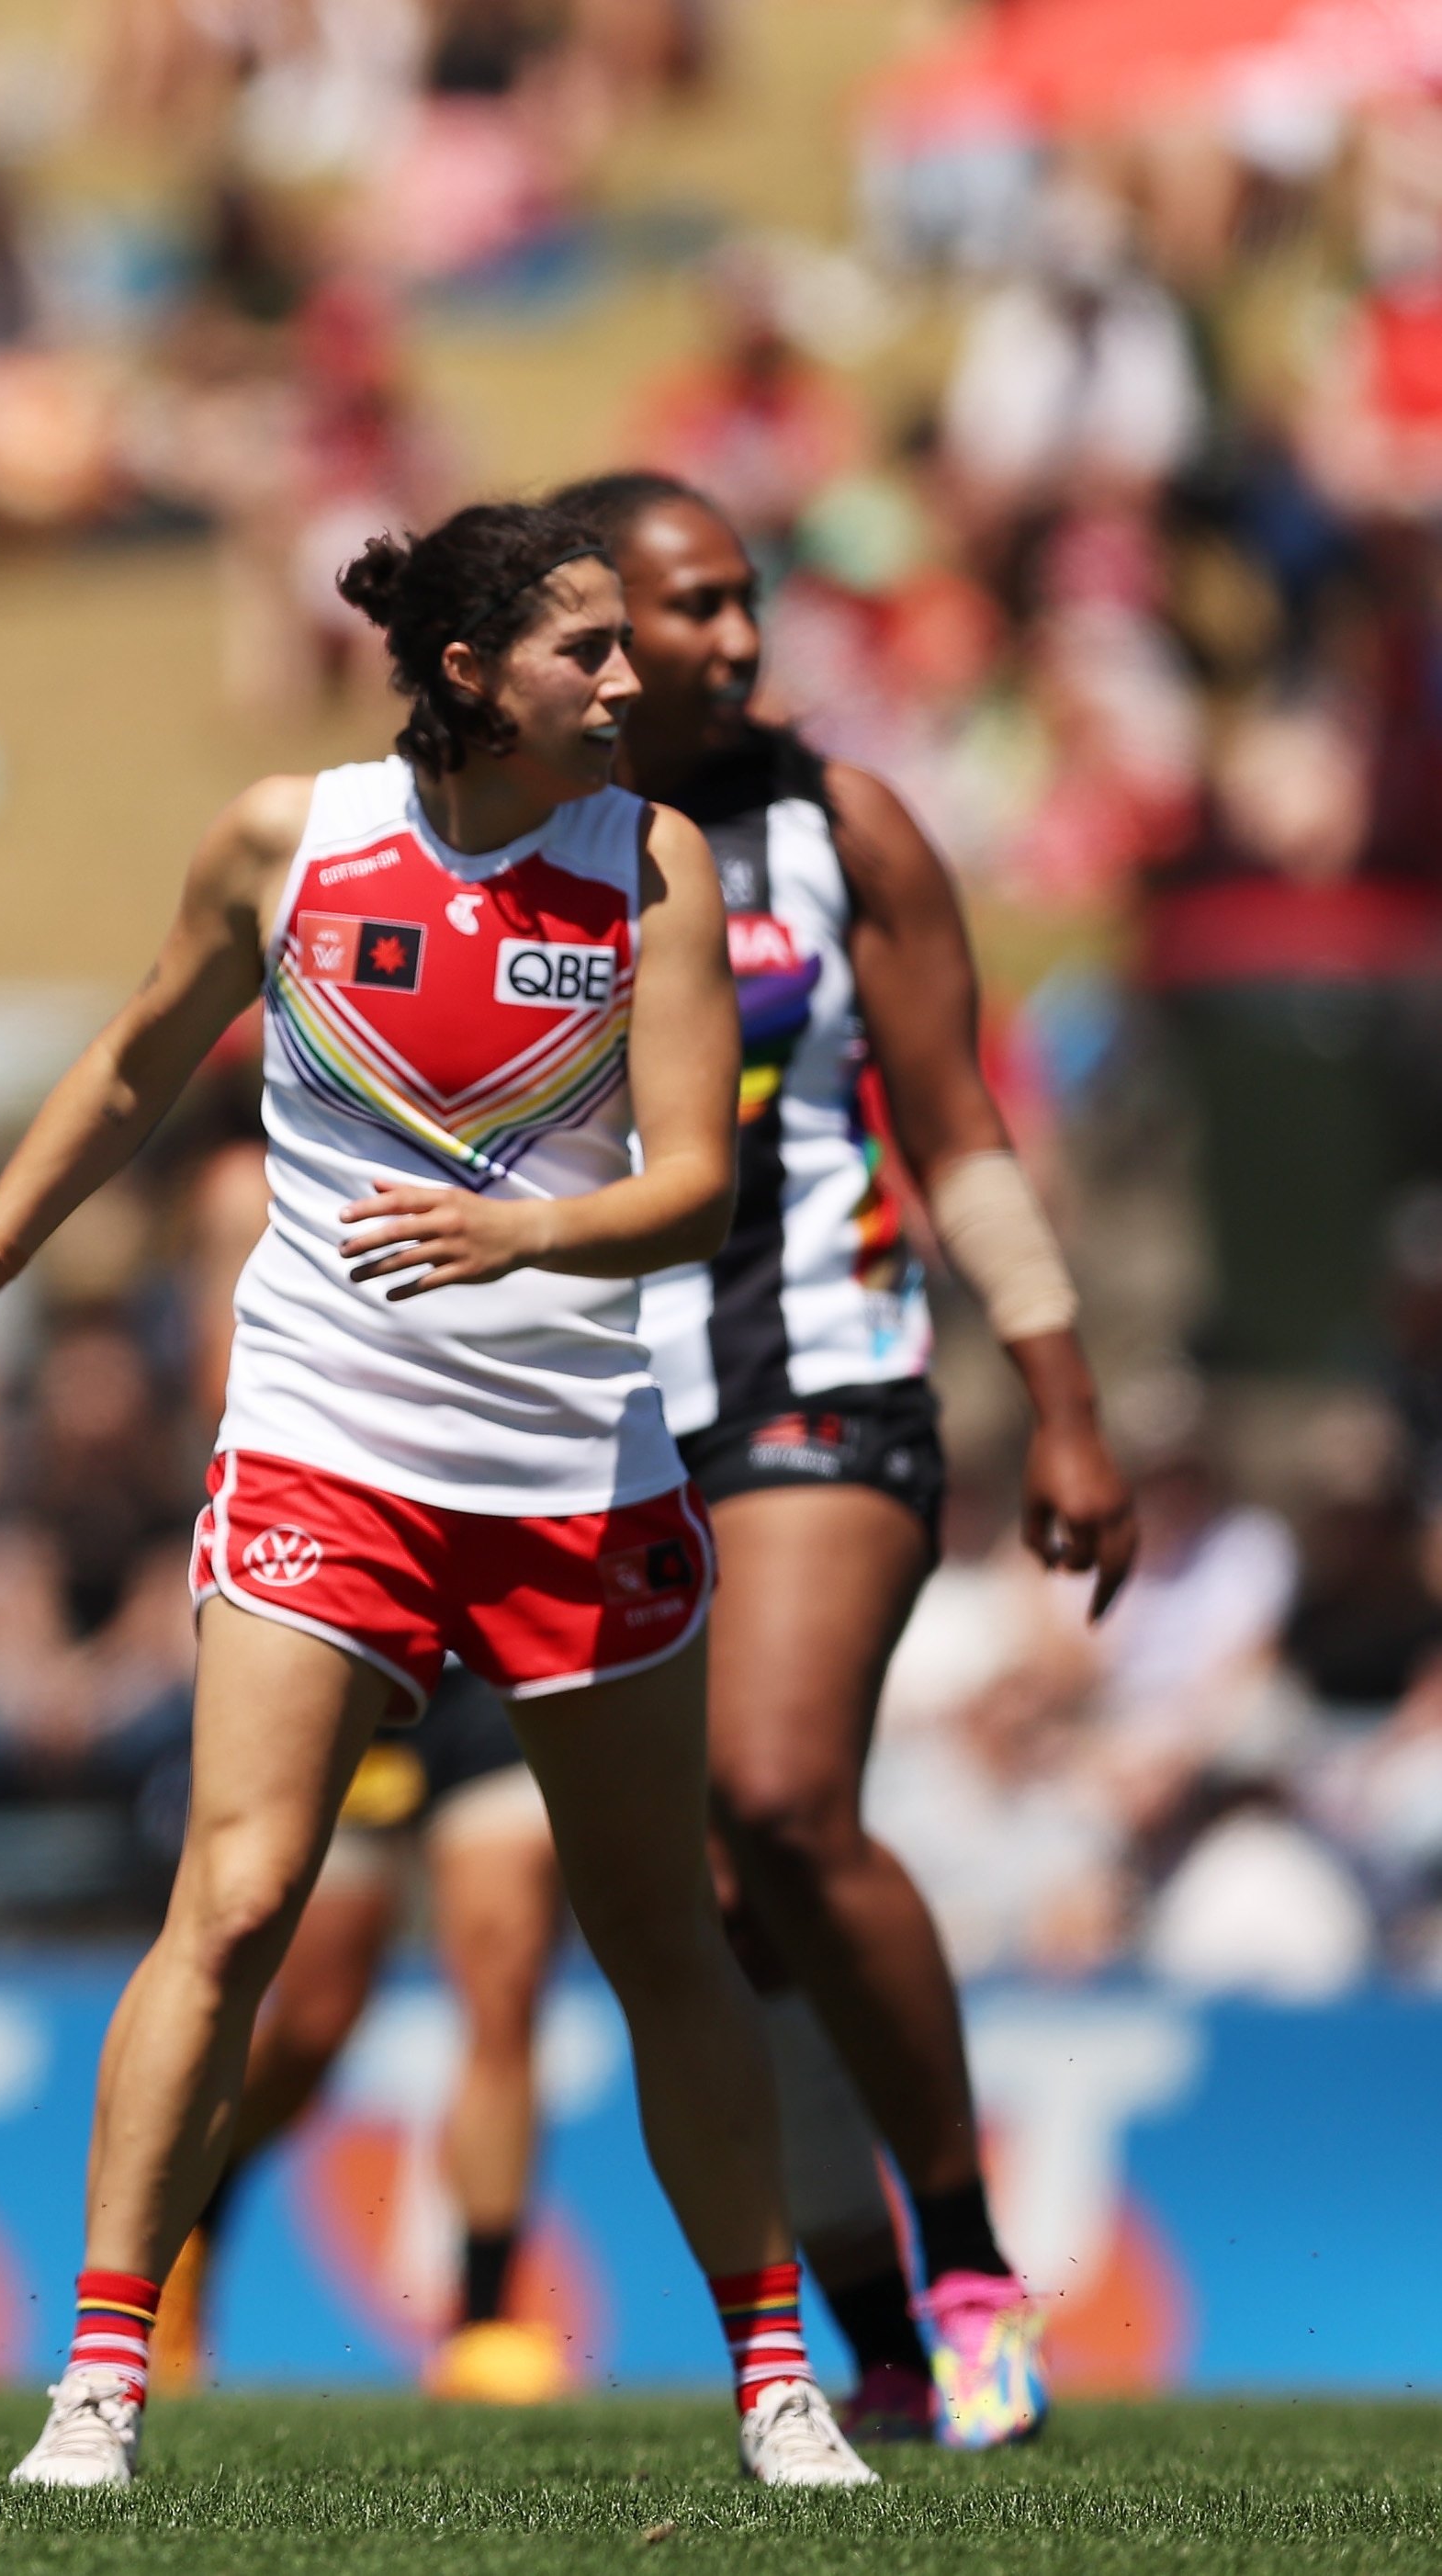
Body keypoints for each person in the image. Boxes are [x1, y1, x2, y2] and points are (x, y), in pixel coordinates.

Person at [0, 500, 873, 2490]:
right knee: (237, 1899)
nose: (629, 680)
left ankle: (776, 2383)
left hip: (573, 1467)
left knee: (654, 1935)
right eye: (587, 650)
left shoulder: (651, 861)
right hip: (325, 1447)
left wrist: (528, 1237)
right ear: (468, 673)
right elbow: (126, 1068)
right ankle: (98, 2381)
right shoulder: (291, 839)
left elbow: (696, 1183)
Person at [551, 468, 1140, 2448]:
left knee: (782, 1794)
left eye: (746, 599)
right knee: (712, 1898)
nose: (735, 638)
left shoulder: (839, 827)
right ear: (586, 639)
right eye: (689, 606)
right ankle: (879, 2331)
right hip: (596, 1412)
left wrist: (1062, 1400)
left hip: (825, 1368)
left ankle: (970, 2272)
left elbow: (957, 1128)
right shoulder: (503, 839)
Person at [161, 1661, 568, 2404]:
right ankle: (190, 2225)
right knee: (311, 2026)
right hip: (352, 1666)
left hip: (492, 1673)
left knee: (505, 1996)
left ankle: (484, 2324)